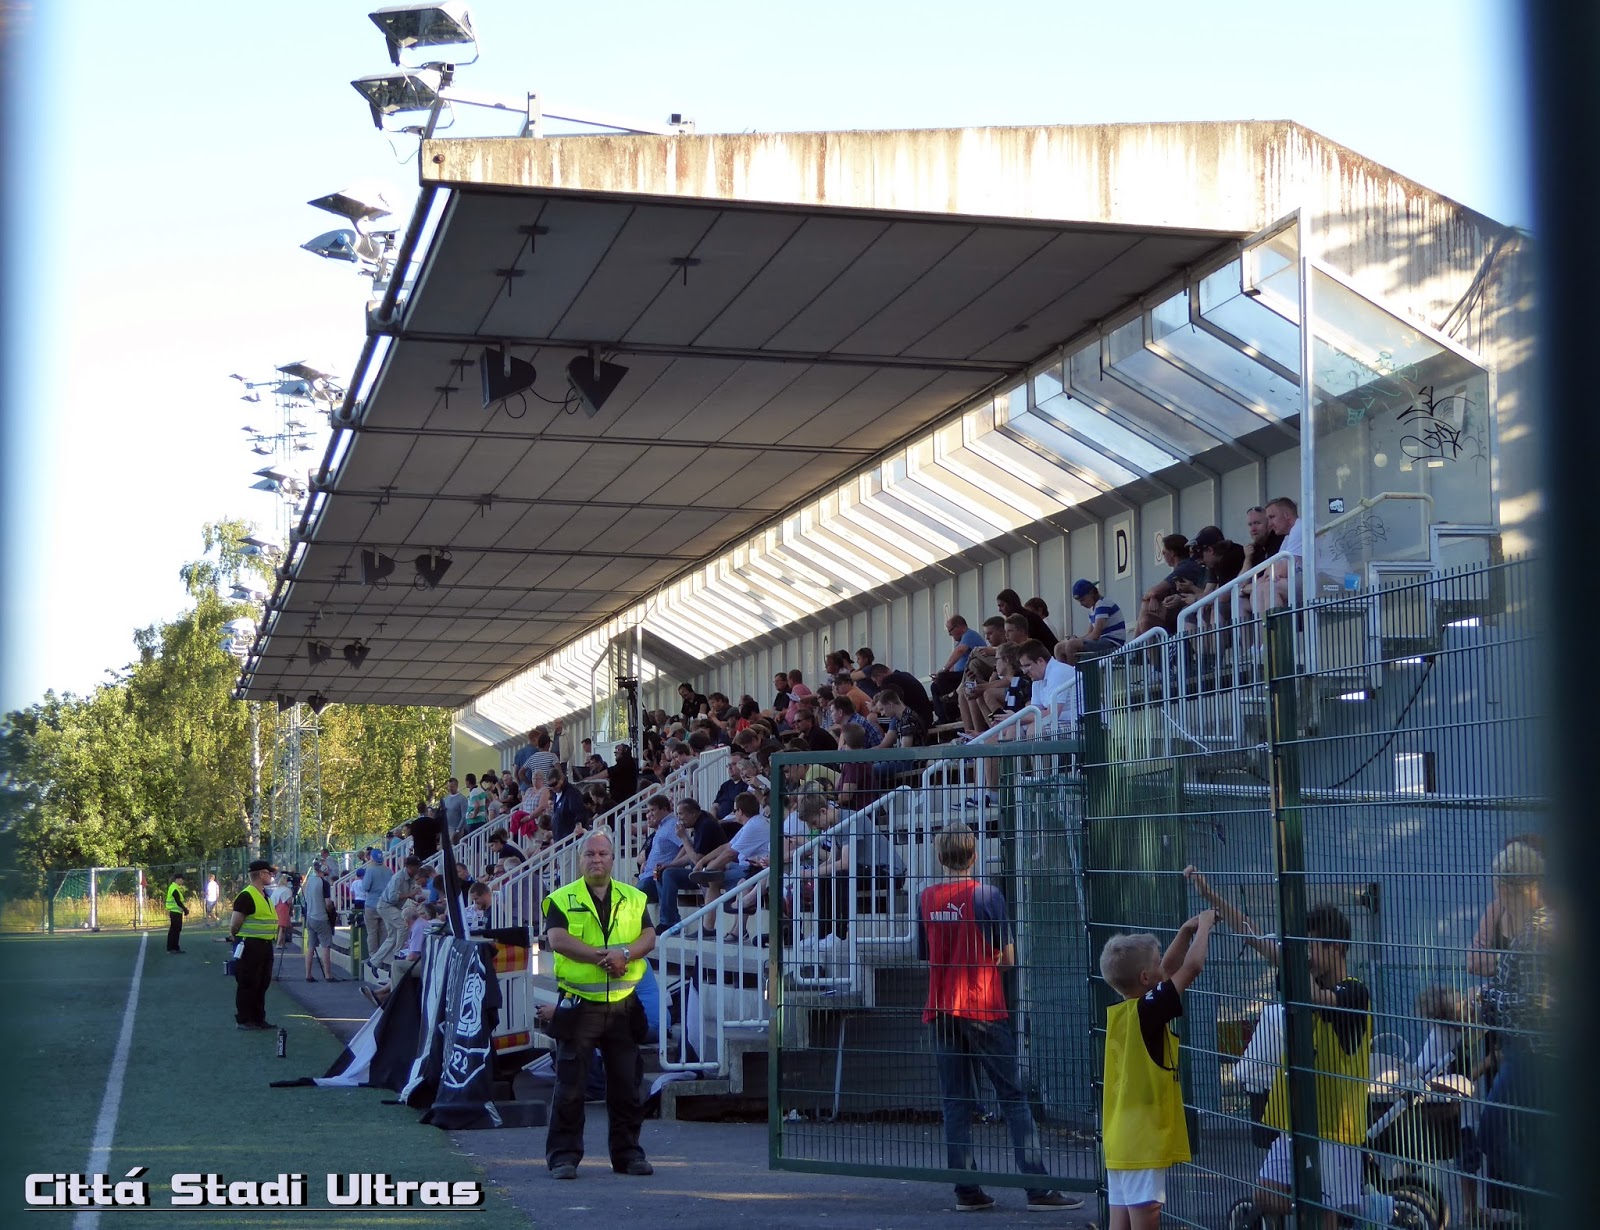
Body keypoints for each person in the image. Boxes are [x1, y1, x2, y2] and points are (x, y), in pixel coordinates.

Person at [917, 823, 1081, 1214]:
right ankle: (1037, 1187)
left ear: (940, 858)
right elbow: (1007, 959)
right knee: (1012, 1097)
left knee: (955, 1100)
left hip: (940, 1007)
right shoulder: (987, 895)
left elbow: (924, 952)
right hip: (982, 1005)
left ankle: (966, 1189)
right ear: (974, 855)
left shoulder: (925, 898)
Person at [544, 831, 657, 1180]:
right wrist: (604, 957)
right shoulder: (562, 898)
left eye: (603, 853)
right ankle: (563, 1157)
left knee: (627, 1086)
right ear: (581, 859)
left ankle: (628, 1155)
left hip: (623, 1006)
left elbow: (648, 937)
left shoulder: (634, 897)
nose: (597, 859)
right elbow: (557, 939)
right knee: (570, 1087)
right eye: (590, 854)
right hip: (580, 1006)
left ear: (612, 858)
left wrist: (624, 954)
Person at [1099, 912, 1216, 1229]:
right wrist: (1204, 927)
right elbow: (1190, 969)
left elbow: (1167, 970)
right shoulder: (1149, 1010)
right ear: (1144, 979)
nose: (1163, 966)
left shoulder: (1124, 1013)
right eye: (1156, 964)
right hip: (1142, 1142)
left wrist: (1184, 932)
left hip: (1119, 1141)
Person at [228, 859, 280, 1032]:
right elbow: (235, 924)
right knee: (248, 982)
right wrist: (240, 940)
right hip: (250, 945)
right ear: (261, 874)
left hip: (264, 945)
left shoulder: (264, 895)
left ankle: (258, 1018)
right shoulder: (246, 895)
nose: (272, 875)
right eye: (269, 872)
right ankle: (244, 1019)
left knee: (262, 982)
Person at [1059, 580, 1126, 666]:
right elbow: (1089, 634)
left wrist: (1076, 641)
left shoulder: (1102, 604)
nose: (1081, 604)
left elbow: (1095, 635)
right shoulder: (1093, 608)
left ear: (1091, 593)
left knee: (1071, 645)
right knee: (1059, 648)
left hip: (1112, 643)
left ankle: (1075, 675)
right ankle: (1065, 674)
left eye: (1082, 600)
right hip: (1101, 641)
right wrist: (1077, 639)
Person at [301, 863, 337, 983]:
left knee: (311, 947)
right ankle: (328, 975)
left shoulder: (309, 882)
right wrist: (332, 910)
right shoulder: (324, 884)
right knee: (325, 946)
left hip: (310, 917)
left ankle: (308, 974)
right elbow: (327, 903)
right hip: (321, 918)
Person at [164, 872, 189, 953]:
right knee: (175, 930)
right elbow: (178, 901)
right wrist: (185, 909)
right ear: (177, 879)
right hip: (175, 912)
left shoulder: (174, 887)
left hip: (175, 911)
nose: (182, 882)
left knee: (174, 929)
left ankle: (173, 947)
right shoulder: (174, 888)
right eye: (182, 880)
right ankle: (173, 947)